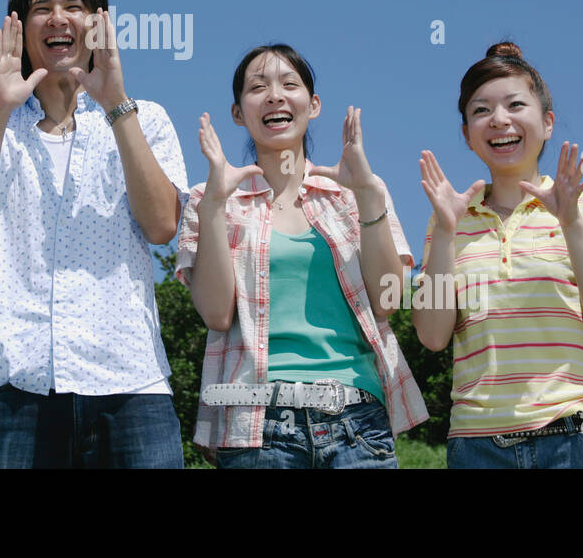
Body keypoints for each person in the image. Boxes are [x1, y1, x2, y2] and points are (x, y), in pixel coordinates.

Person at [0, 0, 188, 468]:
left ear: (98, 23)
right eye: (41, 9)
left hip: (131, 383)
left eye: (73, 6)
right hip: (15, 383)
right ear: (18, 28)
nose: (58, 19)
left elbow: (162, 225)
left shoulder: (148, 119)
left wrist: (116, 103)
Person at [176, 44, 427, 468]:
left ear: (313, 106)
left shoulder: (355, 192)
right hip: (256, 424)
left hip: (357, 420)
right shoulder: (210, 199)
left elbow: (388, 300)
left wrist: (367, 195)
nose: (274, 95)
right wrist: (215, 205)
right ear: (238, 113)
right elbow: (217, 315)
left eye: (289, 84)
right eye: (258, 88)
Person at [414, 41, 583, 468]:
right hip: (478, 447)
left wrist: (569, 223)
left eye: (515, 104)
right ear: (466, 133)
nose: (499, 120)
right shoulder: (450, 218)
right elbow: (432, 334)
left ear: (547, 123)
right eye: (480, 111)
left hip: (575, 439)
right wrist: (443, 231)